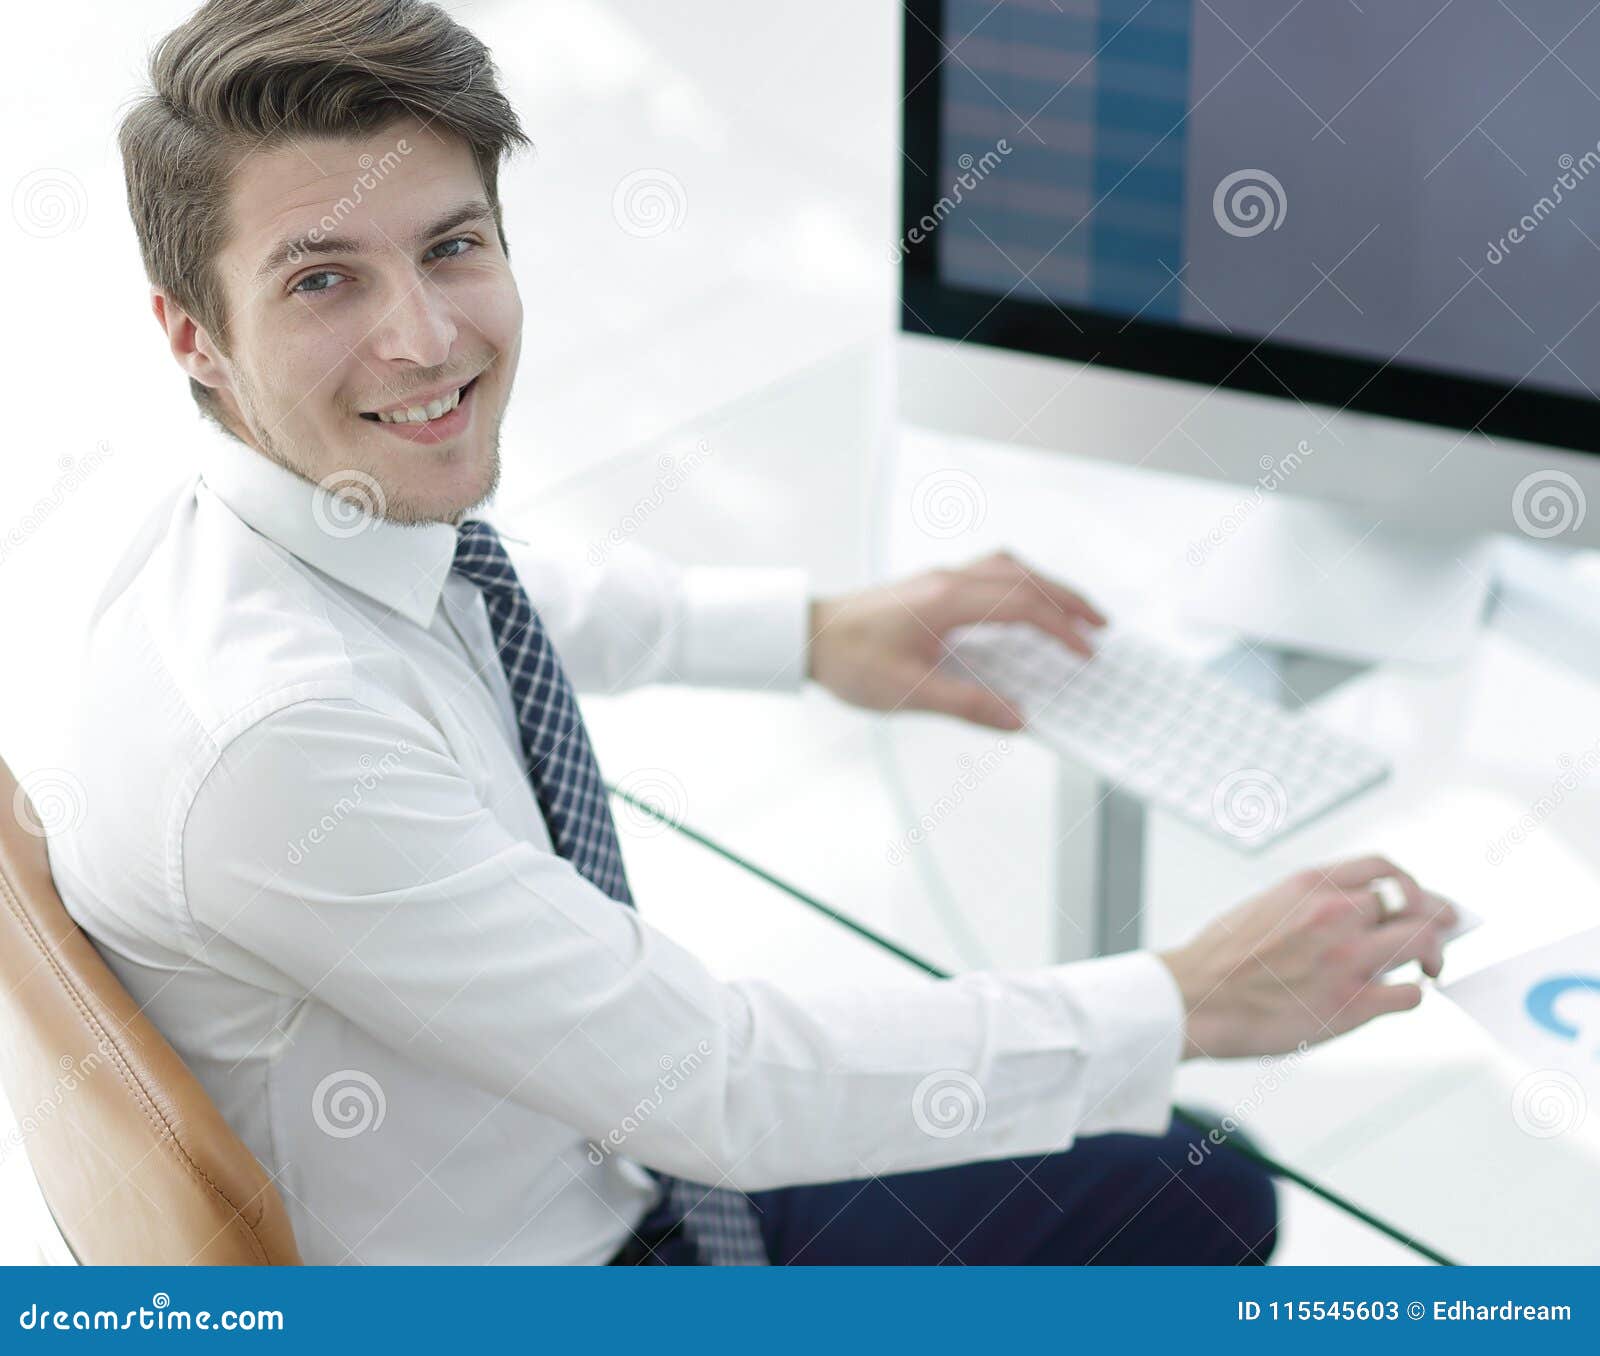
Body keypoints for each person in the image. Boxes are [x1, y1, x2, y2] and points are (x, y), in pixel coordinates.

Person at [46, 0, 1456, 1265]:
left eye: (451, 247)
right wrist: (1188, 996)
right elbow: (719, 1088)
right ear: (192, 333)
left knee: (1195, 1185)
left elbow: (494, 588)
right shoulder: (278, 745)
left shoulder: (273, 529)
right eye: (321, 280)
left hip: (604, 1162)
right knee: (1212, 1183)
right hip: (606, 1252)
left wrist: (815, 631)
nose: (423, 340)